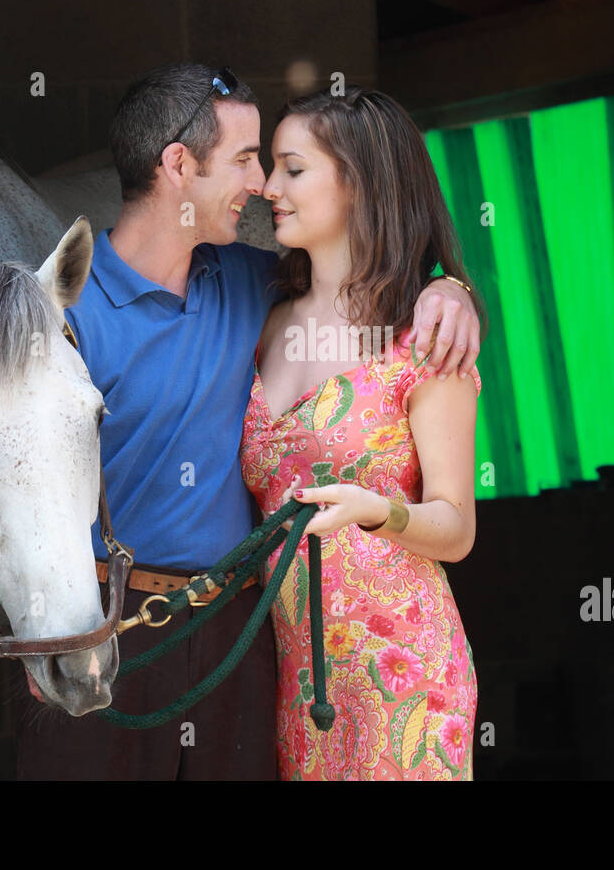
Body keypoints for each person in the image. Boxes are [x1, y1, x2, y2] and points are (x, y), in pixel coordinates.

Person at [14, 63, 482, 780]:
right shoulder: (64, 309)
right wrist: (41, 624)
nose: (263, 183)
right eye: (249, 159)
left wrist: (453, 288)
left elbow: (370, 279)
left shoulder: (250, 283)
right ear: (178, 165)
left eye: (284, 166)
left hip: (257, 638)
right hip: (119, 629)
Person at [239, 87, 484, 780]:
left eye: (292, 168)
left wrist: (375, 511)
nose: (267, 187)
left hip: (401, 671)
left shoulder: (425, 335)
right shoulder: (263, 318)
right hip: (295, 677)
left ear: (357, 182)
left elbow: (457, 527)